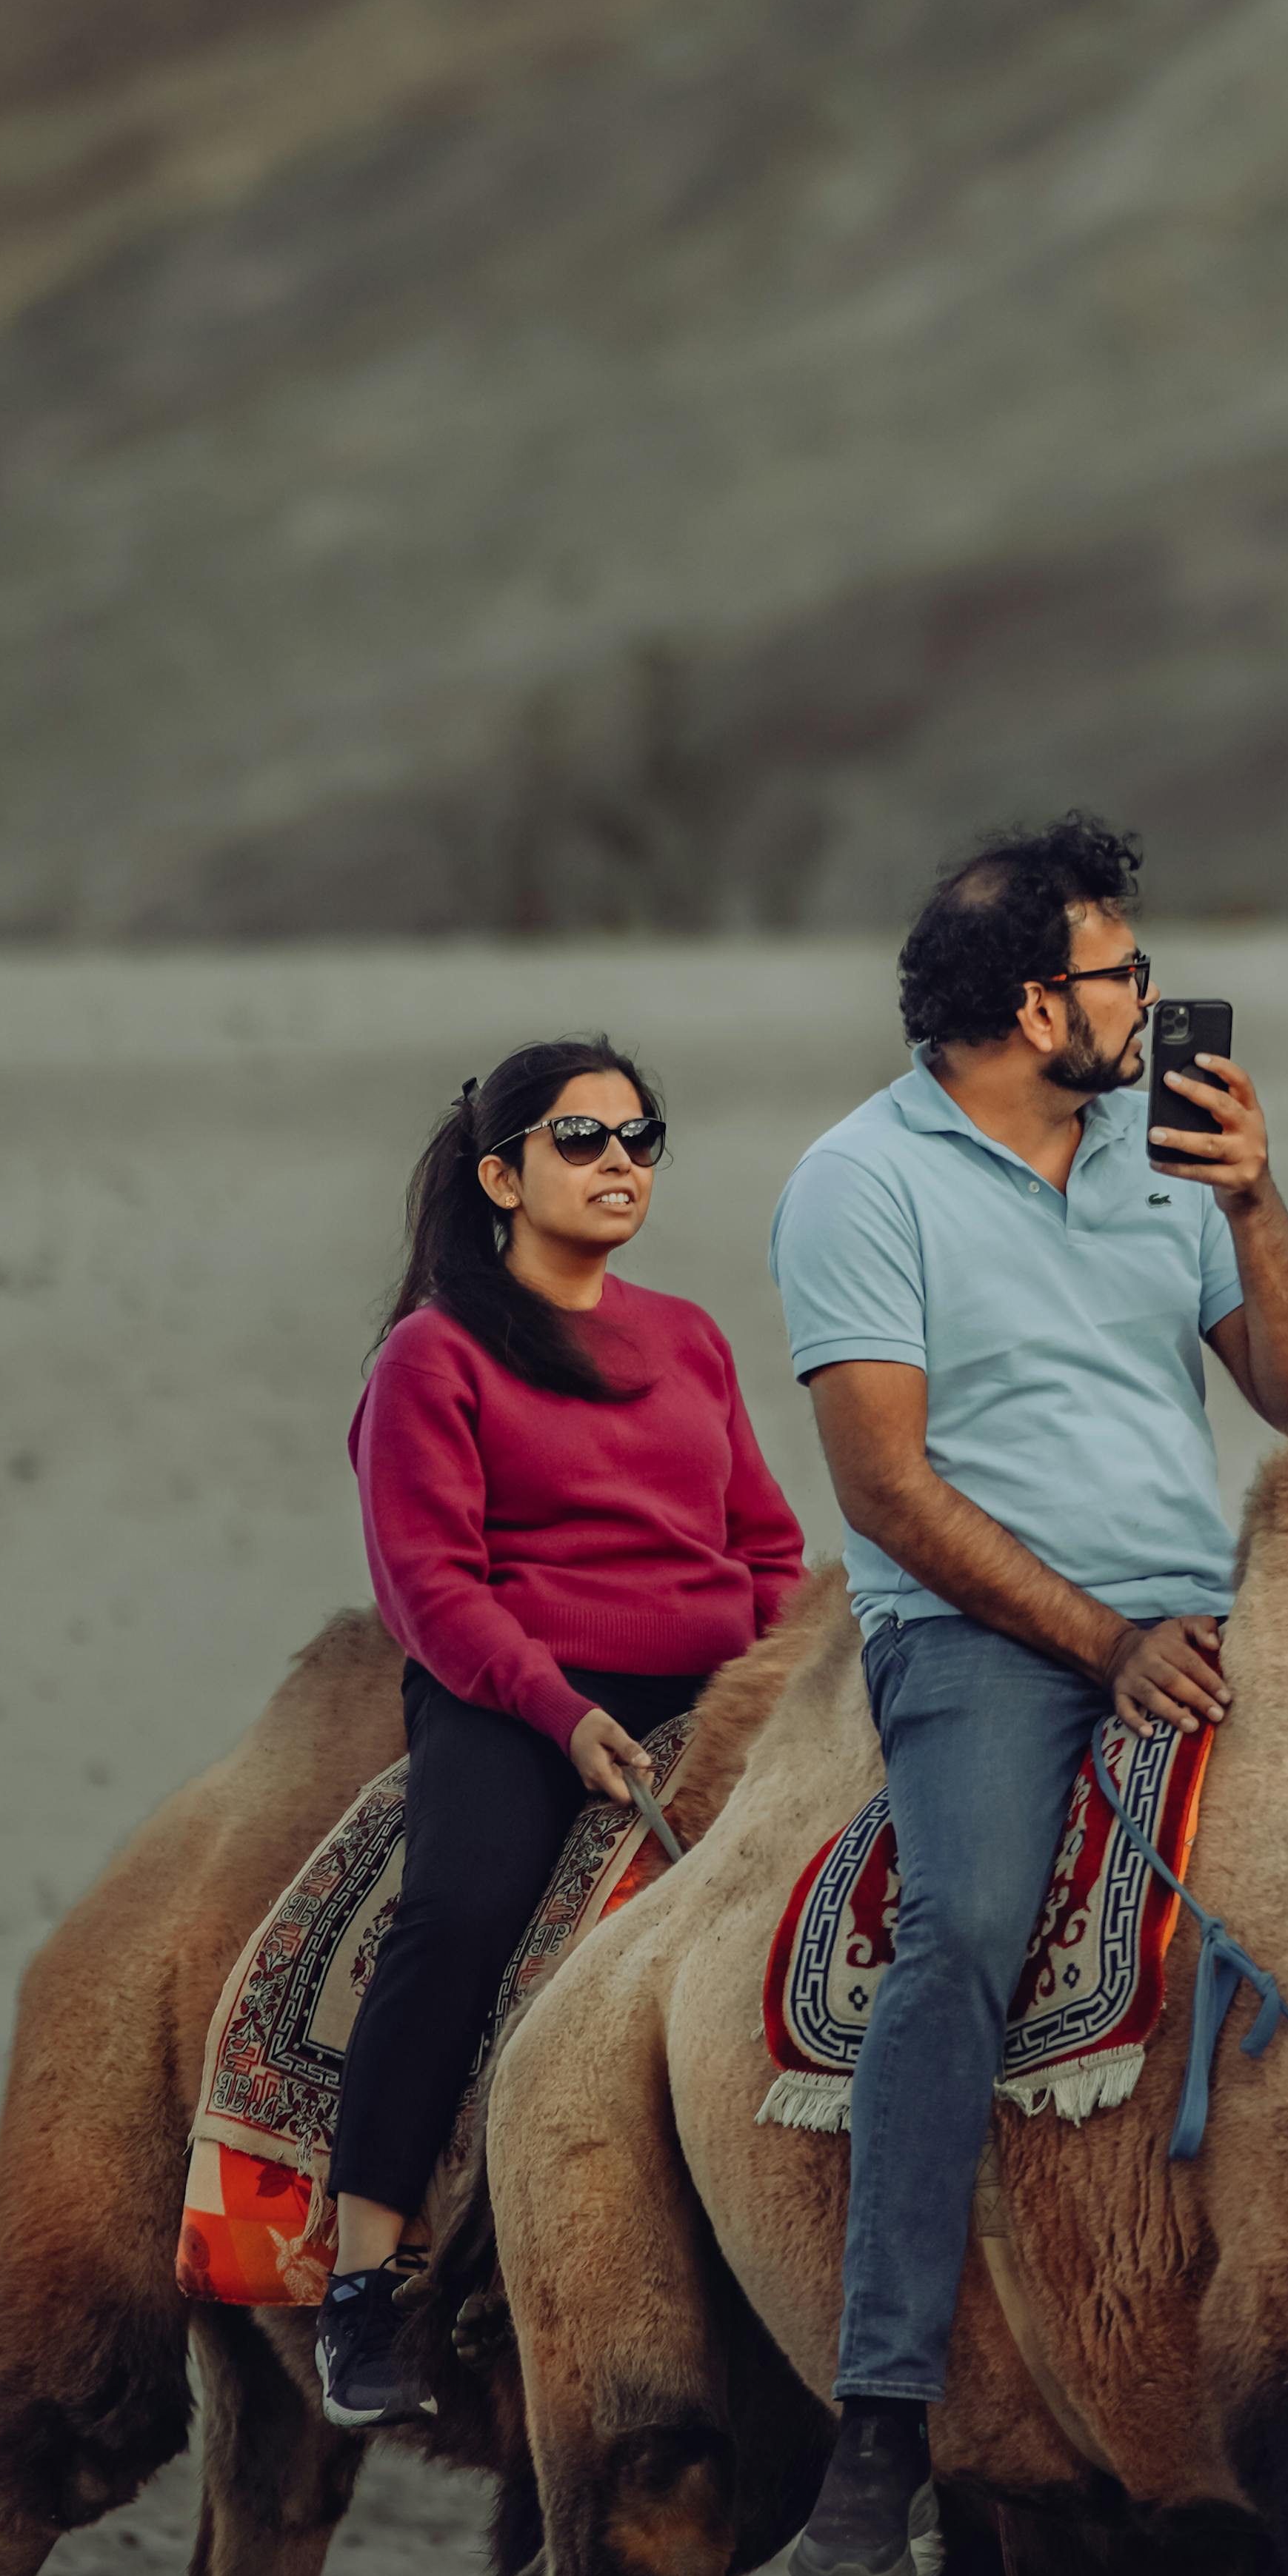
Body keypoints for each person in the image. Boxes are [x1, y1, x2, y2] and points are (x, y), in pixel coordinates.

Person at [767, 811, 1288, 2576]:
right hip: (988, 1641)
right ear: (1036, 1005)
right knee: (963, 1931)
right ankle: (884, 2408)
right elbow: (883, 1490)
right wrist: (1101, 1646)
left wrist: (1254, 1196)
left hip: (1213, 1614)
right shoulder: (858, 1182)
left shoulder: (1164, 1156)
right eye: (1123, 974)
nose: (1150, 1001)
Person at [317, 1037, 810, 2431]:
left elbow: (764, 1538)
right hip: (512, 1690)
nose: (617, 1166)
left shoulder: (691, 1338)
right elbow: (427, 1581)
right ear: (501, 1173)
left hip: (720, 1685)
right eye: (581, 1141)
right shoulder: (434, 1356)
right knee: (459, 1912)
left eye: (639, 1140)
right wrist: (560, 1711)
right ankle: (363, 2280)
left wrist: (786, 1680)